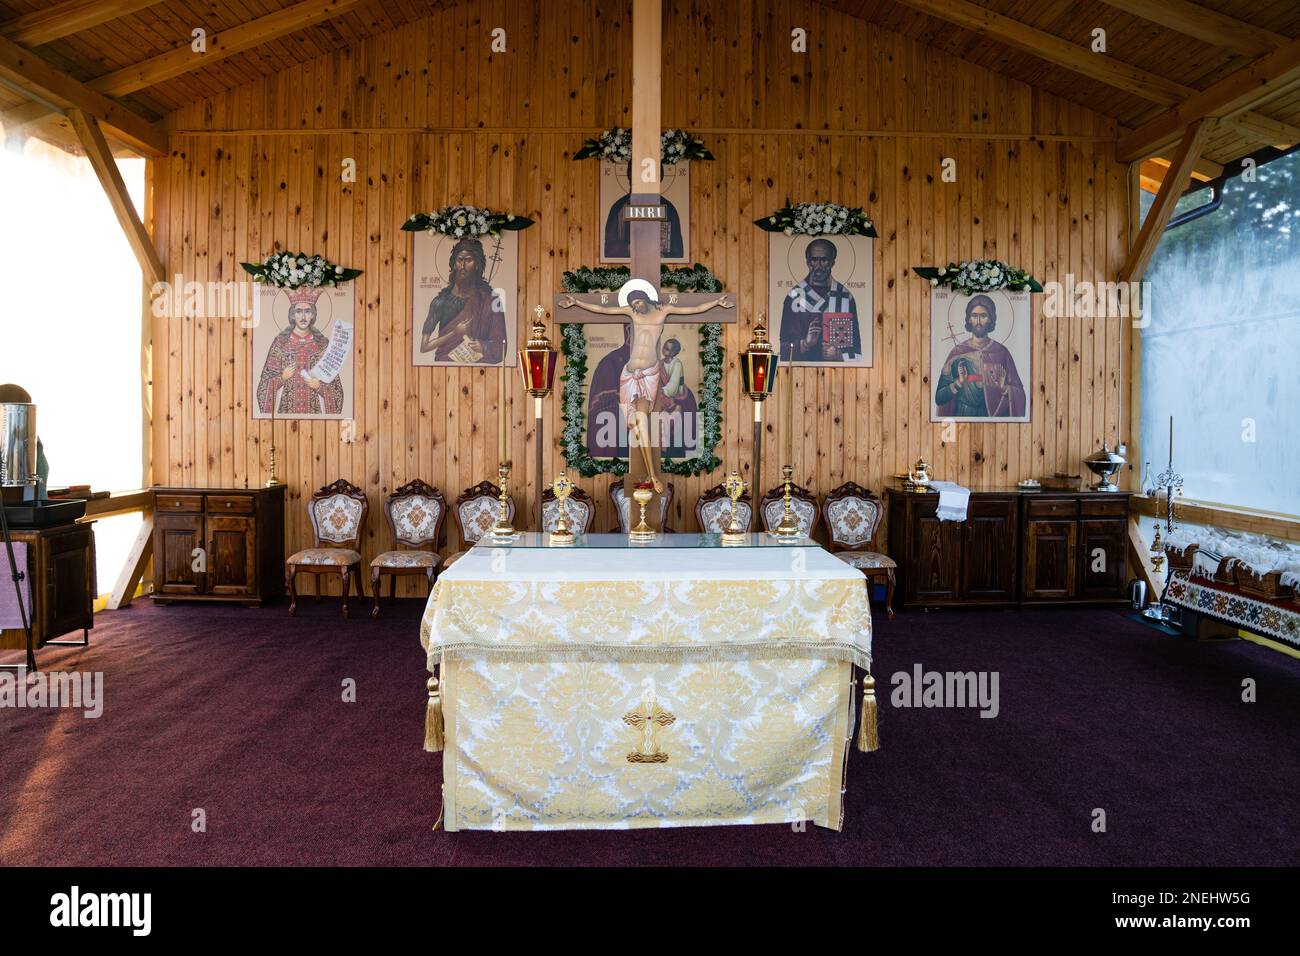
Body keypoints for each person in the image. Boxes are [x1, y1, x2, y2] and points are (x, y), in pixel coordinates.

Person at [933, 293, 1026, 418]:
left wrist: (1004, 388)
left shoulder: (1002, 352)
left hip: (994, 416)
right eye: (974, 316)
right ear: (969, 319)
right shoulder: (957, 353)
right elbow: (939, 398)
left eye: (983, 316)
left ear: (990, 319)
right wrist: (958, 383)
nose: (978, 321)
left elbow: (1019, 393)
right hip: (963, 415)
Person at [255, 289, 344, 416]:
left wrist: (319, 387)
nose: (303, 317)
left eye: (307, 311)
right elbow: (263, 387)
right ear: (292, 315)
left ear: (313, 314)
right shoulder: (280, 344)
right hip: (286, 414)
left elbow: (337, 390)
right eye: (298, 311)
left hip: (315, 416)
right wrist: (282, 378)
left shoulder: (323, 346)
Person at [419, 238, 505, 364]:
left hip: (479, 369)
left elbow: (501, 346)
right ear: (454, 263)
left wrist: (484, 346)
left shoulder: (491, 301)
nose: (463, 266)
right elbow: (424, 347)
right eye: (460, 260)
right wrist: (455, 332)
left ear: (477, 264)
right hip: (443, 367)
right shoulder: (440, 301)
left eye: (468, 260)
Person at [779, 237, 862, 363]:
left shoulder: (845, 297)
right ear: (808, 262)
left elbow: (856, 347)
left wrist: (839, 355)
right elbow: (782, 347)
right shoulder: (794, 297)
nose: (818, 266)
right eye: (814, 260)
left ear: (832, 263)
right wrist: (805, 344)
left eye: (824, 260)